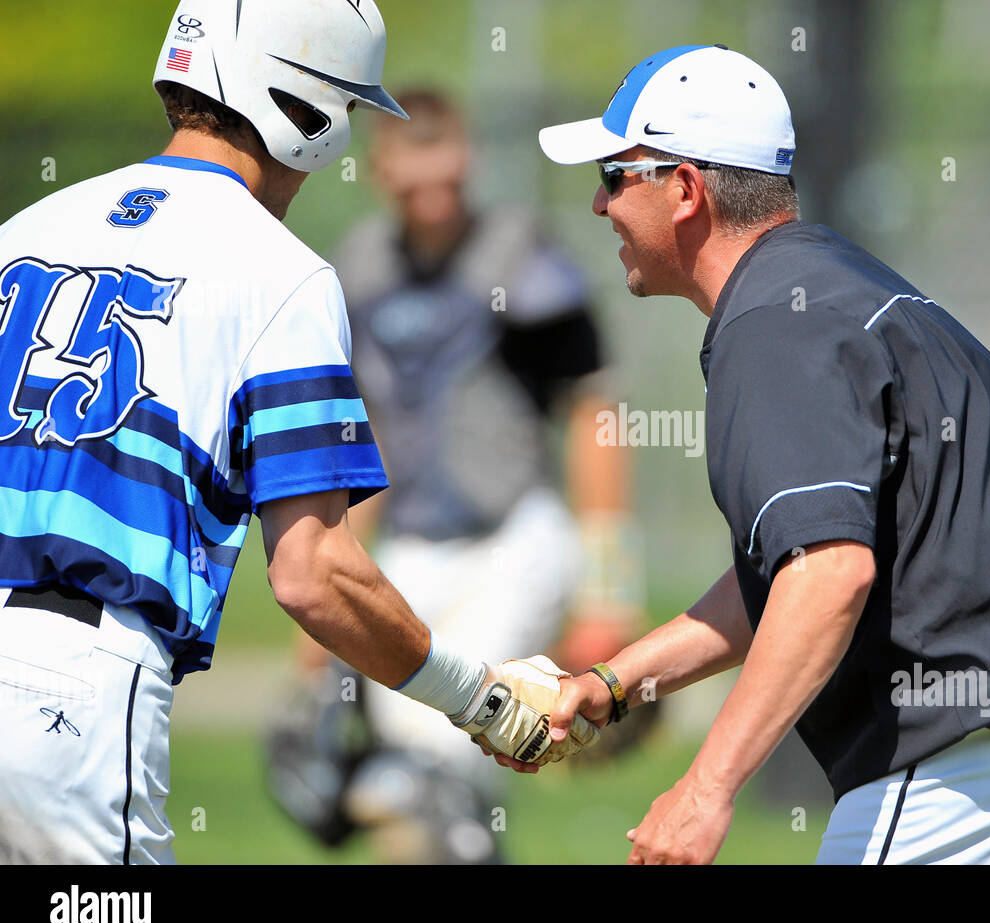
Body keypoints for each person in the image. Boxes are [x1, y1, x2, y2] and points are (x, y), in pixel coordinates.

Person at [515, 43, 990, 865]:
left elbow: (829, 575)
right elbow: (793, 565)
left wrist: (706, 787)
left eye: (616, 177)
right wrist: (617, 682)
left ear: (686, 189)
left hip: (985, 744)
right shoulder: (835, 285)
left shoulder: (773, 327)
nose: (598, 204)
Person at [0, 0, 592, 865]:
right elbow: (313, 573)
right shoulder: (282, 273)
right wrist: (481, 697)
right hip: (76, 695)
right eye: (345, 107)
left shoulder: (25, 229)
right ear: (307, 113)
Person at [283, 89, 645, 864]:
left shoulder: (519, 255)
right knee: (413, 790)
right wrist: (328, 601)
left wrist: (608, 586)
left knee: (428, 755)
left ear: (468, 158)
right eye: (411, 166)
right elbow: (363, 439)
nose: (431, 187)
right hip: (409, 550)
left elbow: (594, 414)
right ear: (379, 169)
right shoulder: (361, 266)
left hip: (512, 536)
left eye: (444, 161)